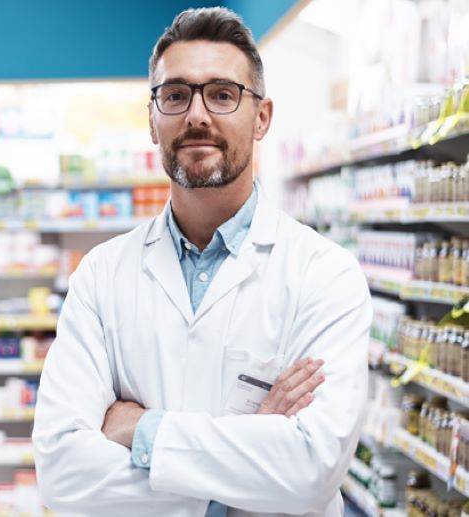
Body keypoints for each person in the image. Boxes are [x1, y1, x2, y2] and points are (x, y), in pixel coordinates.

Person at [33, 6, 372, 516]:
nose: (196, 115)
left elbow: (310, 469)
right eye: (175, 95)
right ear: (152, 120)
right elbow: (61, 471)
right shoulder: (101, 277)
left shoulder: (325, 275)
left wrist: (139, 430)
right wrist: (246, 469)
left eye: (221, 94)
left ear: (262, 117)